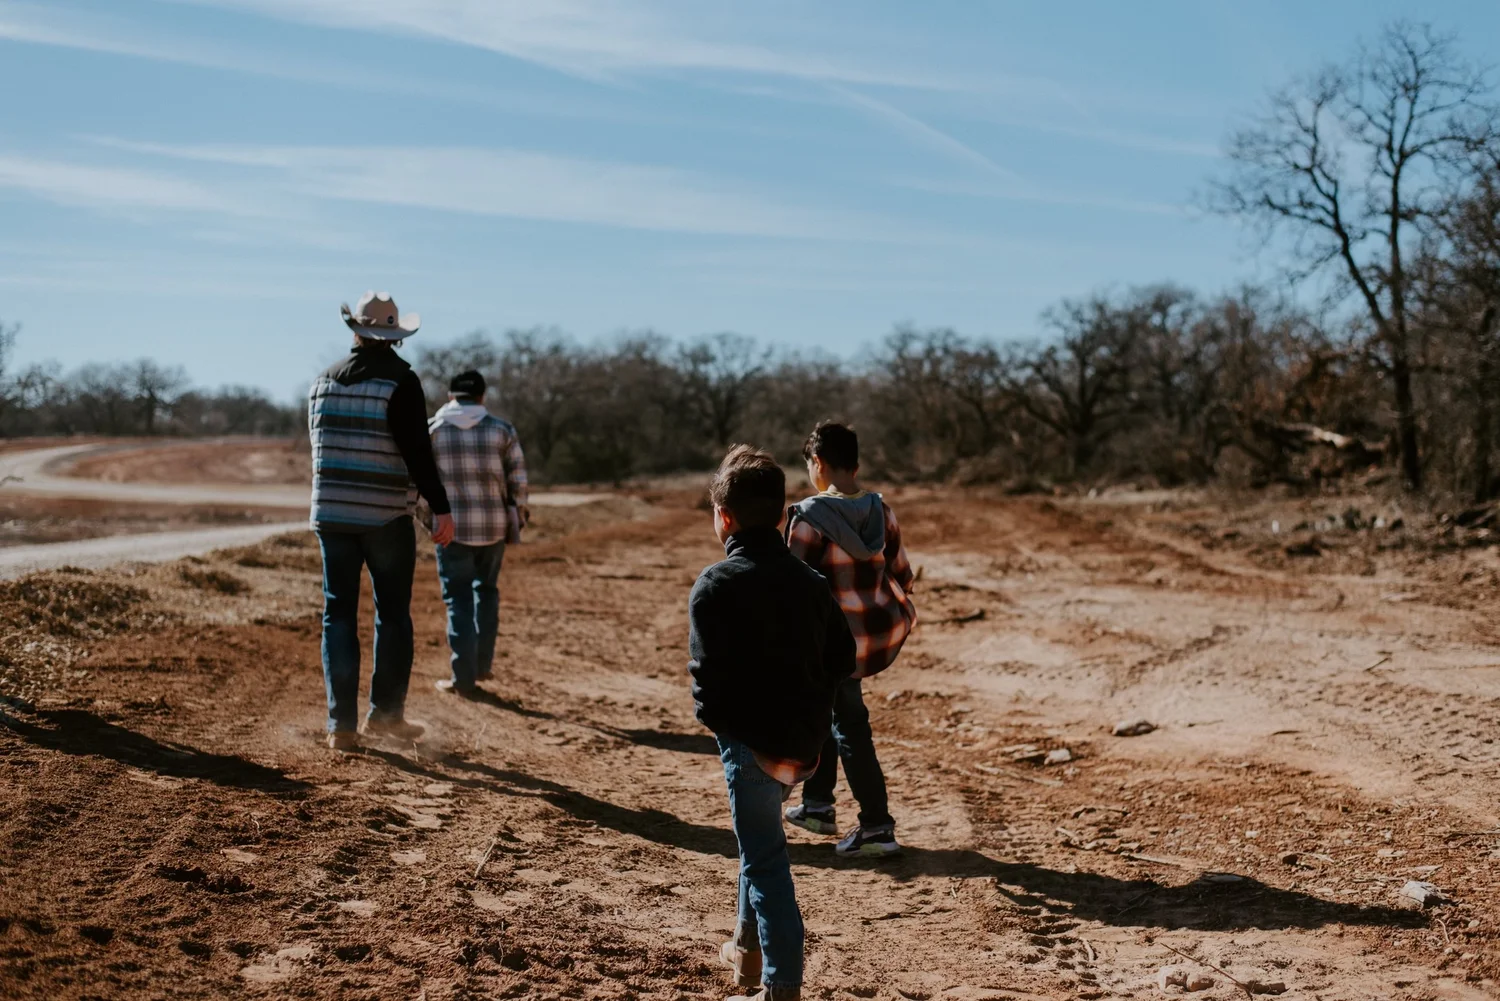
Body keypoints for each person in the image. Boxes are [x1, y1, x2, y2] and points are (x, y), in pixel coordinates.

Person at [688, 445, 855, 1001]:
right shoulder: (811, 584)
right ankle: (747, 950)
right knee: (757, 840)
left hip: (751, 746)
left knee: (763, 859)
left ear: (723, 516)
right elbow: (842, 660)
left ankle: (781, 986)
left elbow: (706, 686)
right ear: (783, 517)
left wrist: (734, 735)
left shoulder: (715, 584)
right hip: (801, 746)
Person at [308, 291, 454, 751]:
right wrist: (440, 507)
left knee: (338, 616)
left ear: (355, 330)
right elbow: (417, 452)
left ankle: (341, 726)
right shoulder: (401, 382)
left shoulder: (322, 382)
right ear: (395, 337)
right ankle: (385, 717)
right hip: (385, 516)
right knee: (391, 616)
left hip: (331, 515)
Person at [782, 421, 916, 858]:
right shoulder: (882, 512)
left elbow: (789, 584)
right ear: (856, 464)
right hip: (865, 639)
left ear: (817, 464)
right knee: (833, 712)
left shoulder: (806, 518)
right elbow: (903, 574)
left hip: (827, 643)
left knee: (849, 725)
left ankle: (877, 826)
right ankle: (818, 807)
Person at [427, 369, 529, 696]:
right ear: (482, 396)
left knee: (457, 599)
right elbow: (519, 481)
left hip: (450, 529)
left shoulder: (433, 430)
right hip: (494, 527)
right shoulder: (502, 430)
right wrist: (519, 517)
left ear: (450, 396)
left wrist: (425, 519)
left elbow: (418, 481)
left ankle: (463, 677)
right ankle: (482, 665)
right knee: (485, 592)